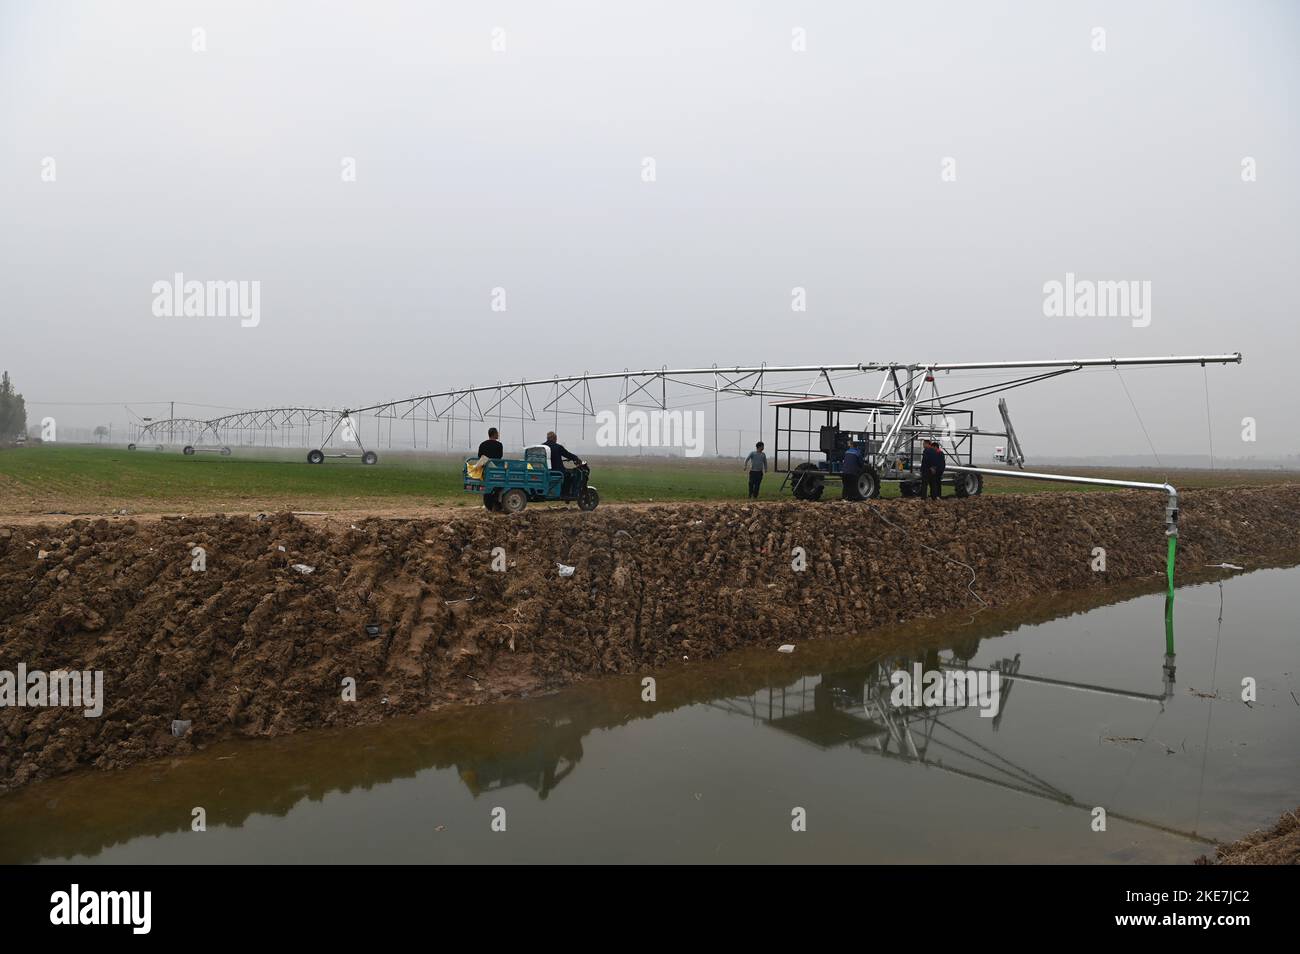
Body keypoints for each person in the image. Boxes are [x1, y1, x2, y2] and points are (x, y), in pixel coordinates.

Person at [543, 431, 582, 495]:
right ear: (554, 438)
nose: (556, 440)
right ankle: (566, 493)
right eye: (556, 438)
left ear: (547, 438)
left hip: (546, 470)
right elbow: (567, 454)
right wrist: (576, 458)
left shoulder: (543, 446)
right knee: (569, 475)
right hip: (557, 470)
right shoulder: (558, 447)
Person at [477, 428, 504, 509]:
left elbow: (479, 456)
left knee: (487, 488)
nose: (498, 434)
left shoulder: (482, 444)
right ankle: (497, 504)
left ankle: (488, 505)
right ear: (494, 434)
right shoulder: (499, 445)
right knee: (498, 486)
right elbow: (499, 457)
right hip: (495, 470)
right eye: (497, 433)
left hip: (484, 470)